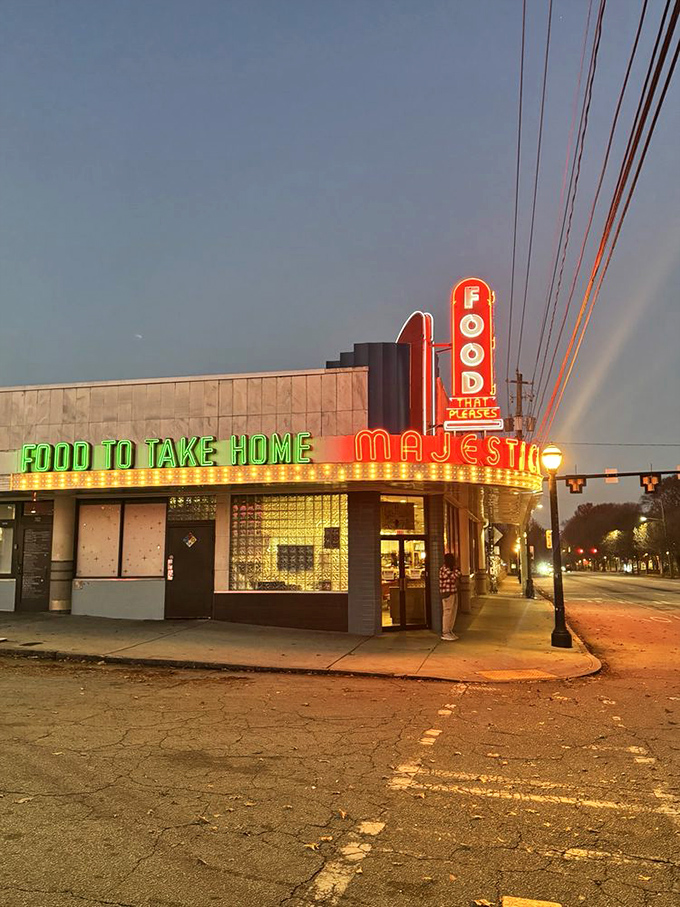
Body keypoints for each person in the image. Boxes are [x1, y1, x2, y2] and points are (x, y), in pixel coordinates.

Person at [439, 552, 461, 641]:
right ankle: (445, 632)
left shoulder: (450, 568)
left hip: (453, 592)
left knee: (453, 612)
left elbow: (457, 574)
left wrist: (456, 571)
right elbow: (454, 576)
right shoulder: (444, 569)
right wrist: (456, 572)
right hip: (447, 593)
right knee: (448, 612)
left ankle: (449, 630)